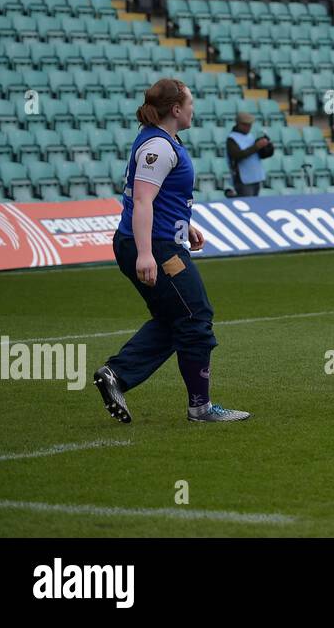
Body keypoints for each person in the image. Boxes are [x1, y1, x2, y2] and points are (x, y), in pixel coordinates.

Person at [92, 78, 250, 424]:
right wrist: (146, 253)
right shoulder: (159, 147)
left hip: (159, 240)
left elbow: (158, 197)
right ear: (176, 109)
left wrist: (184, 224)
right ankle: (201, 409)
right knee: (195, 317)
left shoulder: (164, 142)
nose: (194, 109)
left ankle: (116, 375)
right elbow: (143, 200)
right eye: (190, 103)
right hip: (155, 247)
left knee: (175, 318)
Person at [226, 110, 271, 197]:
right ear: (238, 124)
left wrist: (266, 147)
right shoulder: (231, 139)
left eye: (250, 125)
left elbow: (259, 155)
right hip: (243, 179)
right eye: (245, 125)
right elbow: (237, 155)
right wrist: (256, 146)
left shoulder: (250, 136)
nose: (248, 128)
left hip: (255, 177)